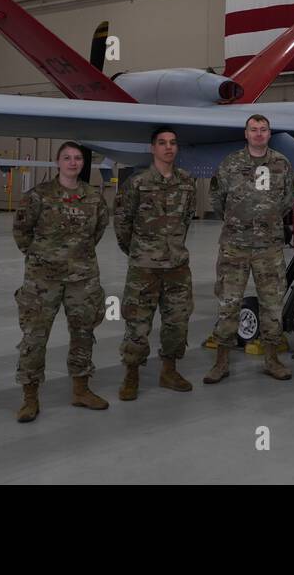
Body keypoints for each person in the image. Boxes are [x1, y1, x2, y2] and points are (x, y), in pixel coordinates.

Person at [11, 141, 111, 422]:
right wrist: (42, 258)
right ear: (57, 162)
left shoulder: (93, 198)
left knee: (83, 333)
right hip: (43, 280)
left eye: (77, 158)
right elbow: (21, 231)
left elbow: (98, 230)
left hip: (83, 278)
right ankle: (30, 397)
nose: (72, 162)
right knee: (34, 336)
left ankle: (81, 389)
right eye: (67, 158)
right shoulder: (38, 196)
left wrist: (76, 257)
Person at [205, 114, 294, 383]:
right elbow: (217, 198)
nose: (258, 134)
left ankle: (271, 359)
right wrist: (238, 223)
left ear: (270, 134)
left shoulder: (282, 163)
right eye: (253, 129)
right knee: (228, 303)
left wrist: (265, 223)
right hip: (235, 246)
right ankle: (221, 362)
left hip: (269, 247)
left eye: (263, 129)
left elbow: (288, 199)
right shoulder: (231, 164)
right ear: (246, 134)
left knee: (272, 304)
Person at [115, 126, 199, 400]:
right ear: (153, 148)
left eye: (173, 143)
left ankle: (169, 370)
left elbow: (186, 219)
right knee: (137, 324)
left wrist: (171, 248)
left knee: (177, 322)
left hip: (176, 266)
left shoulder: (187, 182)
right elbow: (122, 224)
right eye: (162, 143)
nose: (168, 148)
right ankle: (131, 375)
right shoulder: (137, 183)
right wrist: (140, 252)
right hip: (144, 267)